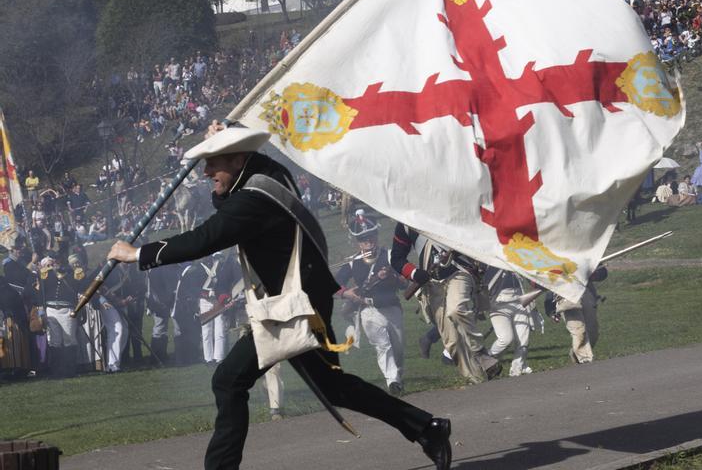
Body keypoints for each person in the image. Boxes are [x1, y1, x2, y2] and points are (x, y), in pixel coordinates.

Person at [107, 124, 451, 470]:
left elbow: (205, 238)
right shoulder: (268, 175)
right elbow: (227, 202)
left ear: (239, 158)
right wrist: (227, 135)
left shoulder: (252, 201)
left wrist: (139, 254)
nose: (206, 171)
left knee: (228, 381)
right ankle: (425, 427)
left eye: (214, 162)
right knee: (333, 388)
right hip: (300, 300)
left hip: (296, 305)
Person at [391, 222, 502, 385]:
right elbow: (397, 258)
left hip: (459, 272)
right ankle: (477, 381)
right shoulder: (405, 223)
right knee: (452, 341)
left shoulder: (446, 209)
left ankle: (480, 352)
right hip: (432, 282)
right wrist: (414, 273)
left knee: (456, 310)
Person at [335, 213, 407, 396]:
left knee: (397, 348)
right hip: (369, 311)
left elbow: (405, 283)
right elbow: (335, 284)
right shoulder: (353, 263)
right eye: (364, 240)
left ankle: (397, 377)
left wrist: (392, 276)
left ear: (376, 237)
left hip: (392, 308)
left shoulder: (391, 256)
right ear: (358, 243)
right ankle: (392, 381)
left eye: (371, 238)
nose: (369, 243)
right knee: (383, 346)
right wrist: (346, 293)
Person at [484, 266, 539, 377]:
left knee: (523, 340)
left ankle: (517, 369)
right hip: (498, 303)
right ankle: (486, 362)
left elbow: (531, 280)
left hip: (519, 301)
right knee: (505, 339)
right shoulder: (487, 260)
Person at [544, 267, 605, 364]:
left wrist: (594, 273)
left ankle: (576, 353)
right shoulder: (553, 255)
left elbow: (603, 273)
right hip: (565, 296)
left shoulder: (583, 252)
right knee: (578, 331)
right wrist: (551, 309)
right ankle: (585, 360)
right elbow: (548, 282)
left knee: (592, 333)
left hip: (586, 291)